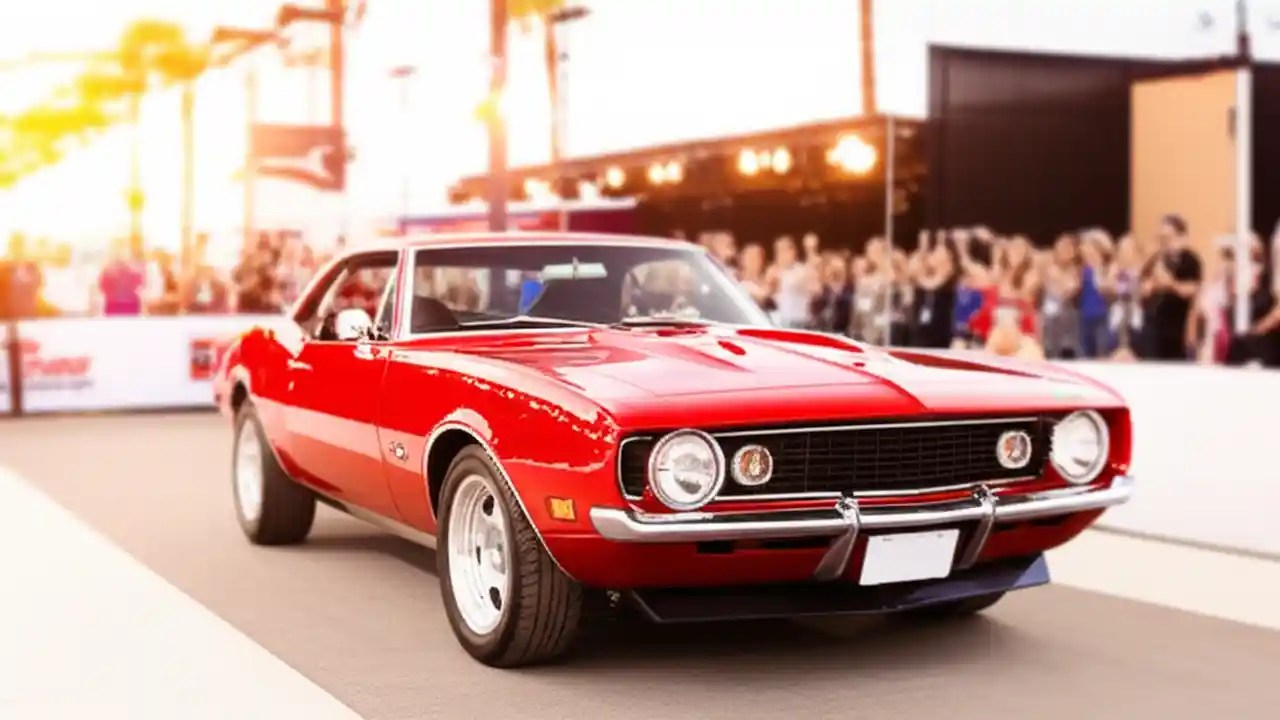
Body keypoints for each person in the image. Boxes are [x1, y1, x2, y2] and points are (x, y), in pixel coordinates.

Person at [1139, 214, 1202, 361]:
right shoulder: (1155, 259)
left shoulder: (1190, 260)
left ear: (1181, 237)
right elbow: (1143, 283)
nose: (1164, 242)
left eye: (1168, 237)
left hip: (1176, 328)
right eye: (1161, 238)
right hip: (1152, 325)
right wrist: (1150, 287)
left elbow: (1192, 289)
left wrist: (1170, 284)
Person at [1040, 233, 1083, 359]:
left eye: (1069, 249)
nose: (1065, 252)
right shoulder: (1047, 268)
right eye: (1062, 248)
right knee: (1050, 349)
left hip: (1068, 318)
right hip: (1049, 319)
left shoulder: (1076, 271)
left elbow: (1071, 290)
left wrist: (1061, 284)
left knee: (1067, 350)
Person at [765, 235, 815, 329]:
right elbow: (768, 293)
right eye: (778, 251)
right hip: (780, 320)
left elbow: (804, 277)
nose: (780, 254)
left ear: (793, 252)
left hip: (799, 321)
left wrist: (810, 250)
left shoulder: (800, 270)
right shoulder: (773, 271)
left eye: (784, 250)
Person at [98, 241, 145, 316]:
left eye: (123, 250)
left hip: (130, 305)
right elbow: (103, 287)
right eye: (119, 250)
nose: (121, 254)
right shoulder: (108, 270)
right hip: (113, 305)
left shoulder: (133, 269)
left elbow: (139, 284)